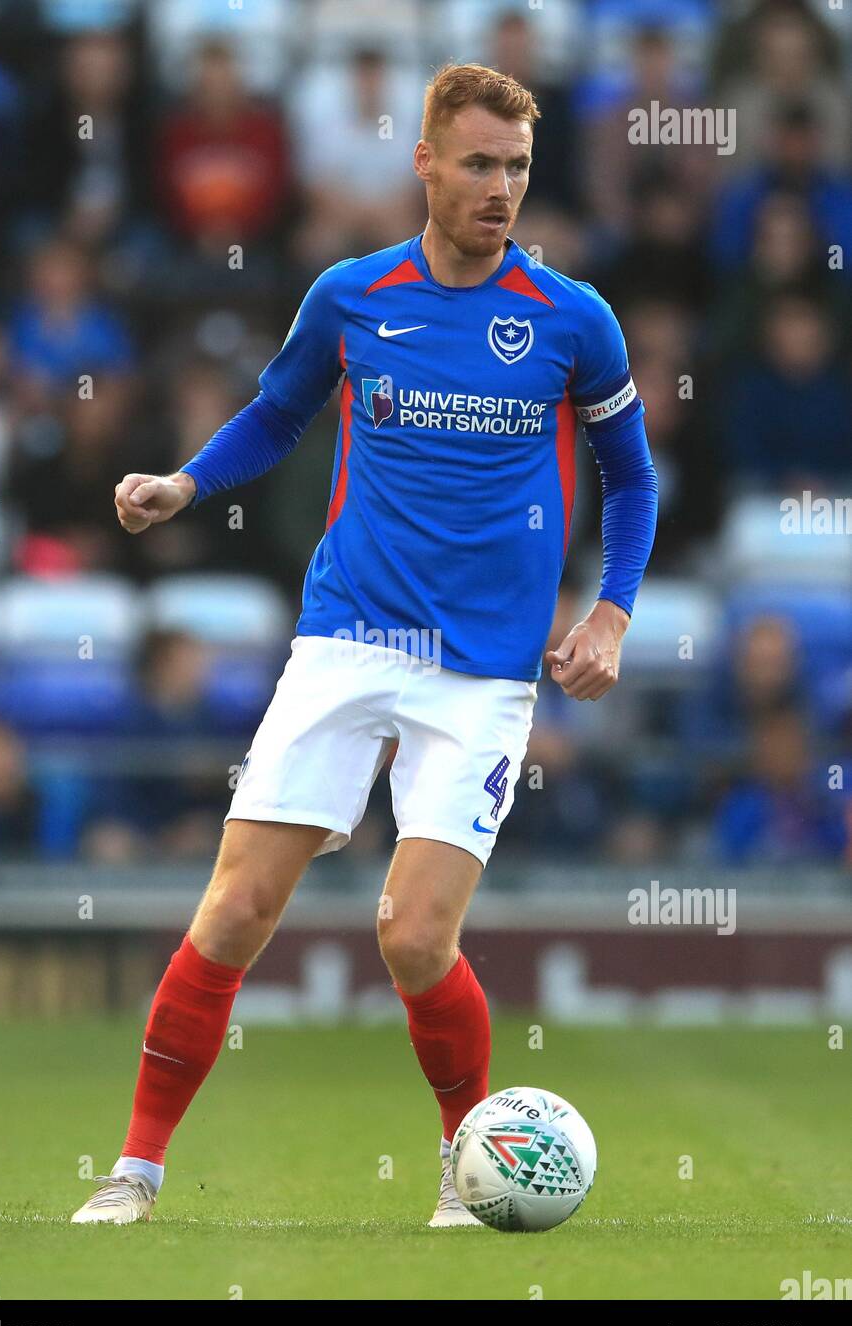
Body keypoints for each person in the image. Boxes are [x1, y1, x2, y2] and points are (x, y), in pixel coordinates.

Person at [72, 63, 657, 1229]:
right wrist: (187, 481)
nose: (500, 189)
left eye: (518, 169)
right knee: (236, 907)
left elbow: (630, 477)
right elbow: (281, 412)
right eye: (480, 164)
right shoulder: (352, 296)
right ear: (426, 164)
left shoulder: (572, 319)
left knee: (413, 932)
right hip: (346, 640)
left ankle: (465, 1164)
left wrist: (611, 612)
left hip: (484, 670)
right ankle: (134, 1171)